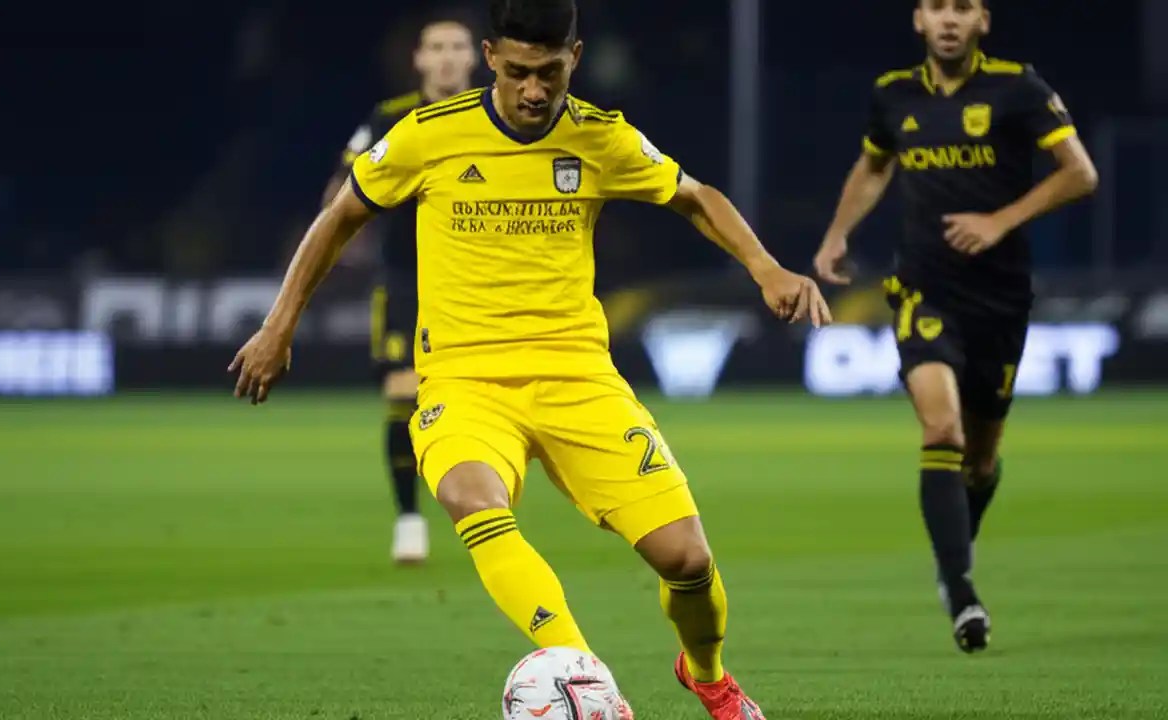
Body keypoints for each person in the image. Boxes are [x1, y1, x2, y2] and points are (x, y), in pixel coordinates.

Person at [231, 1, 830, 717]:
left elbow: (694, 197)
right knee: (468, 496)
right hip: (465, 378)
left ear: (573, 59)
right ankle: (584, 675)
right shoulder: (427, 135)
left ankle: (708, 675)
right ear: (490, 58)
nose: (534, 90)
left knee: (688, 562)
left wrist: (766, 268)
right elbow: (340, 217)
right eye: (517, 72)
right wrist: (278, 326)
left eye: (549, 72)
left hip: (579, 377)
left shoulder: (600, 138)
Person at [813, 0, 1098, 653]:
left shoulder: (1017, 87)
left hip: (1000, 297)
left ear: (982, 21)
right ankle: (960, 589)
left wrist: (1000, 221)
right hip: (923, 288)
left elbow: (1081, 173)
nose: (948, 19)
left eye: (962, 8)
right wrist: (836, 234)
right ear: (919, 19)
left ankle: (953, 558)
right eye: (937, 7)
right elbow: (875, 166)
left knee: (982, 459)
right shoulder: (894, 94)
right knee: (941, 426)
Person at [320, 15, 478, 564]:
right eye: (436, 47)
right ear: (418, 59)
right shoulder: (389, 120)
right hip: (408, 282)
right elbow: (340, 191)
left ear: (475, 57)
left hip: (479, 282)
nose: (447, 57)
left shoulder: (496, 117)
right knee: (400, 393)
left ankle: (484, 509)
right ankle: (410, 520)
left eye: (457, 46)